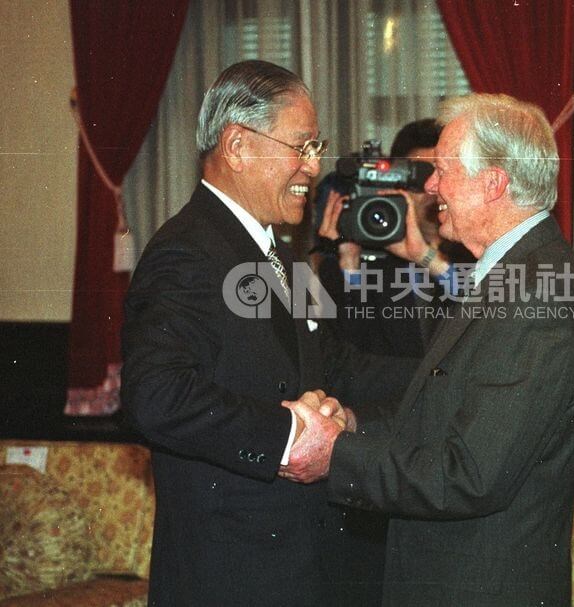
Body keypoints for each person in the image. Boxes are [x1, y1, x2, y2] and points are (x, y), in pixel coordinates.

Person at [280, 93, 574, 605]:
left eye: (445, 171)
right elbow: (444, 407)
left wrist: (336, 454)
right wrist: (357, 424)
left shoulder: (537, 293)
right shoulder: (510, 272)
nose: (430, 188)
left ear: (493, 182)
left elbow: (471, 475)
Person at [121, 60, 401, 606]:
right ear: (238, 145)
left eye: (315, 148)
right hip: (231, 576)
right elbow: (155, 395)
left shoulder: (280, 253)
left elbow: (335, 361)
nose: (312, 167)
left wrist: (451, 371)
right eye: (301, 147)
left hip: (296, 567)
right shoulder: (186, 249)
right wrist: (289, 436)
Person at [316, 119, 473, 358]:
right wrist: (350, 266)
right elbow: (349, 356)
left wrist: (426, 258)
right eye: (420, 179)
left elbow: (489, 317)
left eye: (441, 175)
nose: (432, 189)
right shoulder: (360, 261)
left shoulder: (473, 249)